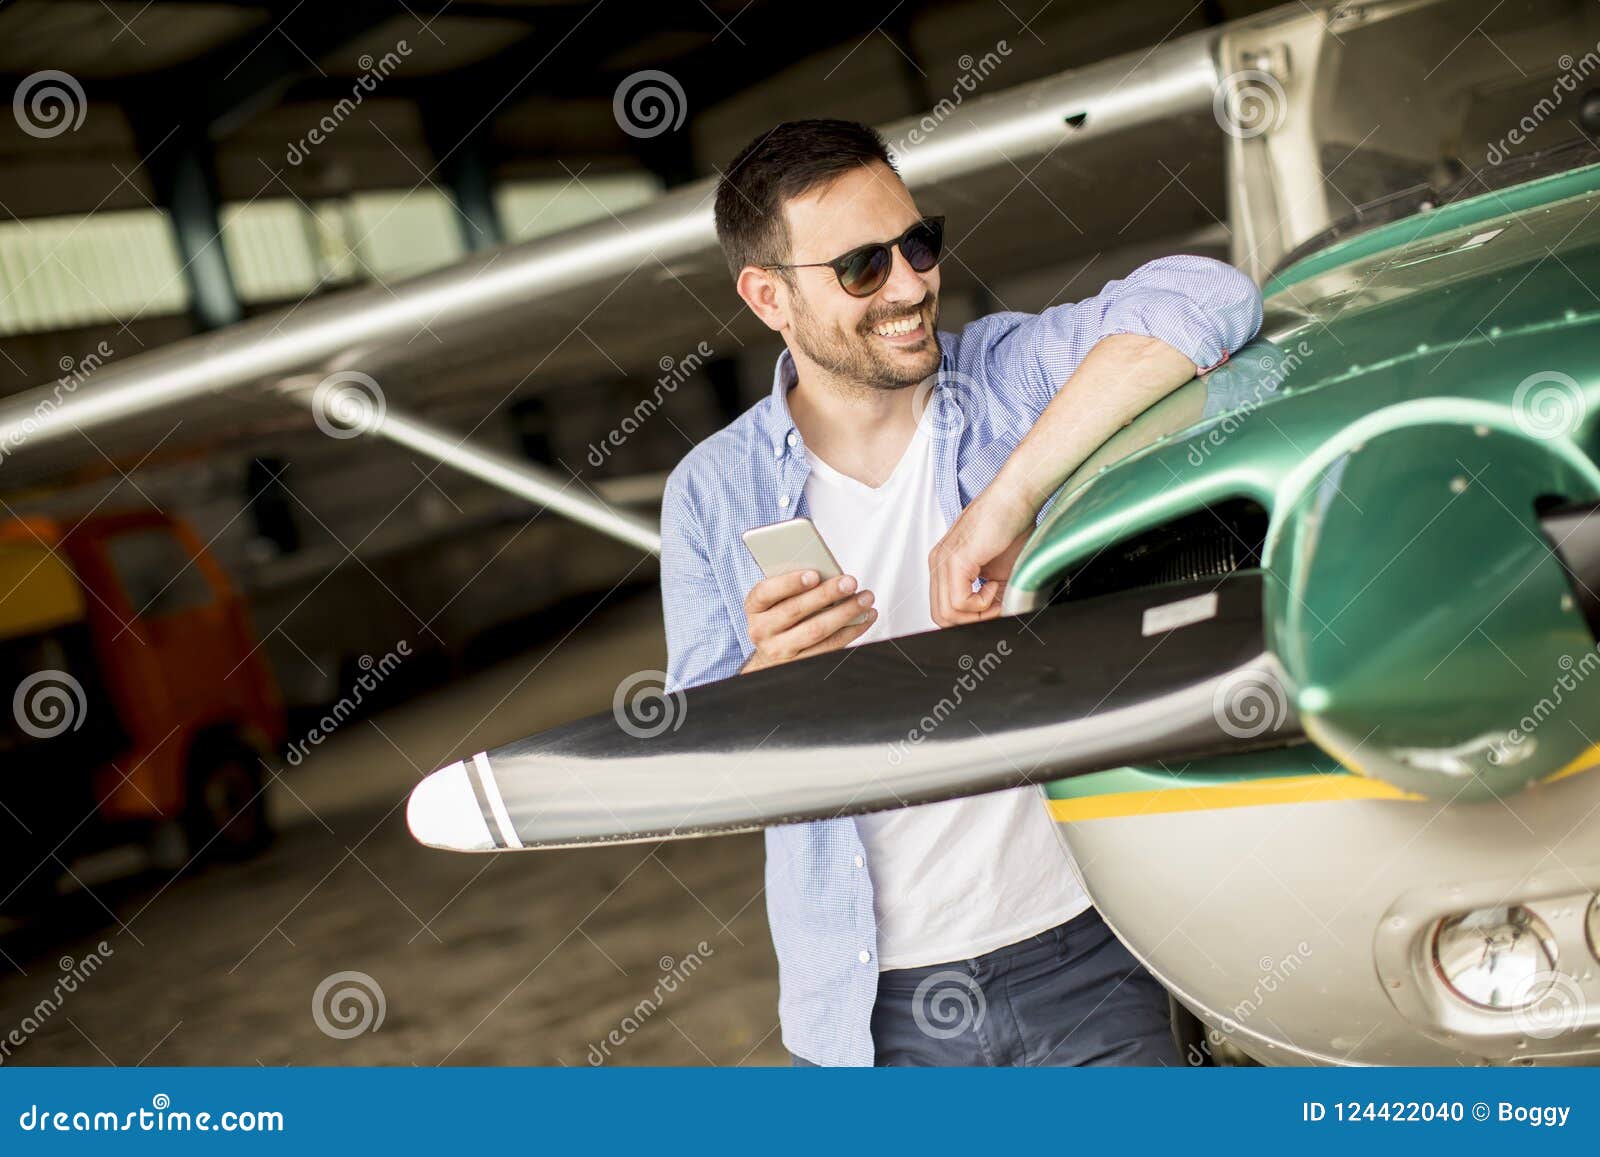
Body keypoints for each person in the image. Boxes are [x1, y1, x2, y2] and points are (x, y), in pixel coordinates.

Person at [659, 118, 1262, 1067]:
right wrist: (763, 675)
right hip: (867, 1007)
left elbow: (1210, 294)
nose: (909, 286)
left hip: (1087, 948)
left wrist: (1008, 498)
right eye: (862, 267)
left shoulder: (1009, 377)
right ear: (768, 296)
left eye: (919, 243)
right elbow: (688, 762)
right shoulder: (708, 490)